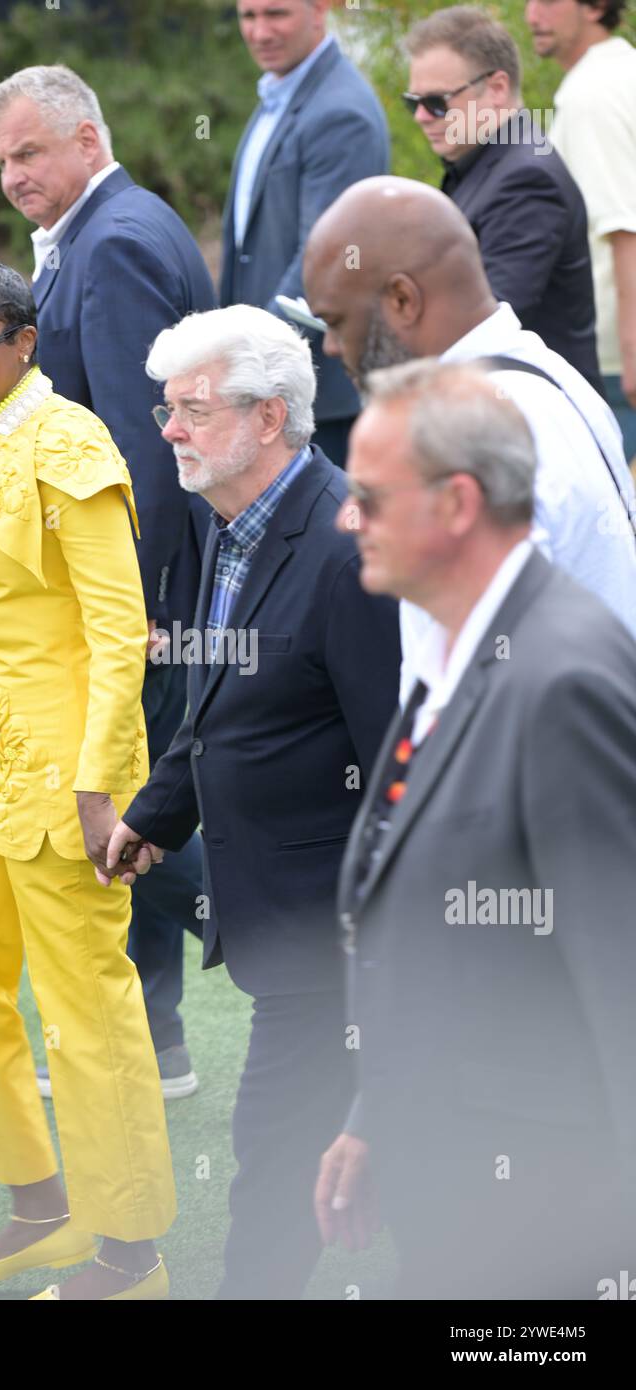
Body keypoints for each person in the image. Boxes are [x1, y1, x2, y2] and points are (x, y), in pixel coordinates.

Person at [314, 359, 636, 1299]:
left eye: (368, 495)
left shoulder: (563, 680)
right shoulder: (457, 646)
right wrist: (383, 1110)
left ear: (456, 505)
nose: (346, 515)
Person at [0, 260, 174, 1302]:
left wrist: (104, 788)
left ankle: (131, 1256)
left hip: (70, 777)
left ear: (25, 340)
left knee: (86, 1013)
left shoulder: (70, 443)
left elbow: (117, 630)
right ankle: (42, 1202)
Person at [100, 305, 401, 1300]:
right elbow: (223, 708)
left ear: (270, 417)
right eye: (166, 408)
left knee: (272, 1164)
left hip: (334, 937)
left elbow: (398, 763)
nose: (169, 432)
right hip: (281, 918)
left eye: (191, 409)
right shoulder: (220, 523)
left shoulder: (351, 549)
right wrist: (159, 810)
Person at [0, 64, 218, 1099]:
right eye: (1, 162)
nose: (14, 178)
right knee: (130, 811)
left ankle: (291, 943)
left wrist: (149, 608)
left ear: (86, 137)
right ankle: (151, 1048)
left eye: (30, 153)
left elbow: (145, 447)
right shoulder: (113, 225)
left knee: (128, 823)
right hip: (140, 600)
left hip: (140, 606)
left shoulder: (114, 242)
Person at [303, 175, 636, 700]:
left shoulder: (466, 430)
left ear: (402, 300)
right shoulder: (550, 376)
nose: (331, 347)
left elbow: (483, 696)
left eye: (338, 322)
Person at [221, 0, 389, 465]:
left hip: (314, 393)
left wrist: (249, 360)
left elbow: (327, 254)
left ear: (319, 9)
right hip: (276, 384)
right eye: (248, 17)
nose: (260, 32)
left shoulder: (340, 112)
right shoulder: (278, 94)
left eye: (276, 14)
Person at [404, 5, 602, 393]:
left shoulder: (527, 178)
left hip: (535, 423)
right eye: (414, 102)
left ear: (495, 89)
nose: (421, 117)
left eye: (437, 102)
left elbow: (486, 323)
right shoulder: (481, 163)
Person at [526, 0, 636, 460]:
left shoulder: (593, 93)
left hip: (612, 355)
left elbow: (623, 227)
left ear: (595, 7)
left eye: (549, 2)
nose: (533, 16)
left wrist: (631, 352)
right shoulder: (621, 70)